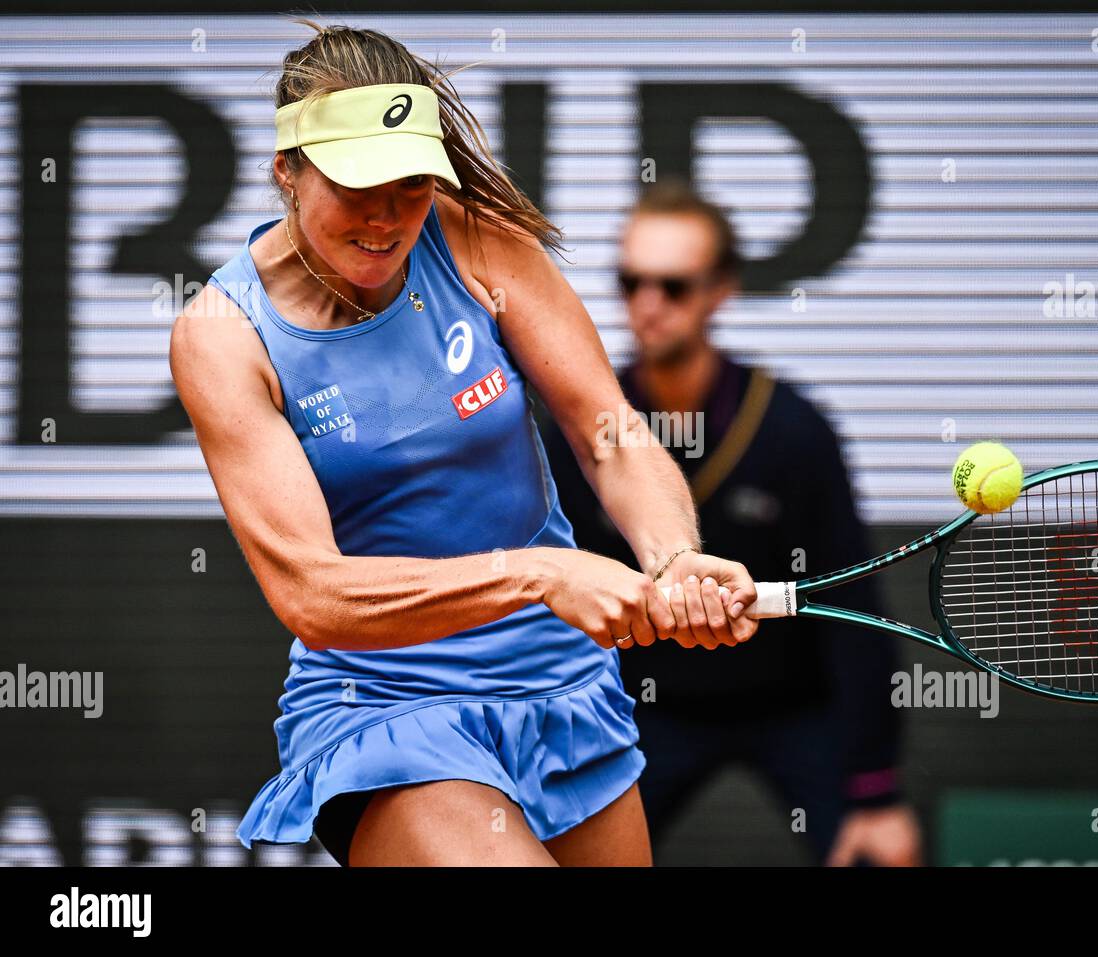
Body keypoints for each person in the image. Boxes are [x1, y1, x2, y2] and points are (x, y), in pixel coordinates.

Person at [168, 20, 759, 867]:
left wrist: (671, 559)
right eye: (357, 185)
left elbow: (609, 431)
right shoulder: (223, 335)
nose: (386, 216)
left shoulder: (473, 233)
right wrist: (541, 574)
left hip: (560, 686)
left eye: (411, 183)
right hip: (384, 702)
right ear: (286, 172)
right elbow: (313, 593)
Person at [539, 179, 923, 866]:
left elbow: (850, 608)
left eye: (674, 285)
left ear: (722, 290)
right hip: (644, 711)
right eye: (631, 282)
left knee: (877, 856)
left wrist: (876, 792)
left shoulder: (793, 430)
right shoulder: (585, 429)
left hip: (791, 706)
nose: (648, 304)